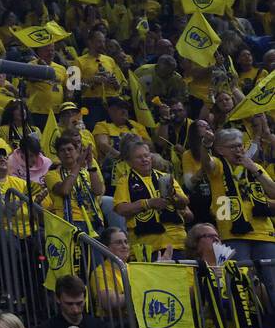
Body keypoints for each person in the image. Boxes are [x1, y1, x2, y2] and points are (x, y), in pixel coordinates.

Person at [197, 126, 275, 302]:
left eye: (240, 145)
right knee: (243, 284)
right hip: (233, 234)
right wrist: (205, 146)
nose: (238, 149)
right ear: (220, 150)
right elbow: (205, 163)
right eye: (232, 146)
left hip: (264, 232)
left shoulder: (254, 166)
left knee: (273, 283)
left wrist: (254, 169)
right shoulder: (218, 165)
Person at [113, 136, 189, 261]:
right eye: (139, 157)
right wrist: (148, 203)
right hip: (147, 247)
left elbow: (185, 203)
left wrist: (174, 195)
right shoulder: (124, 182)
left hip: (177, 242)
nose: (144, 160)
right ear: (129, 162)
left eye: (146, 156)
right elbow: (120, 209)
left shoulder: (165, 177)